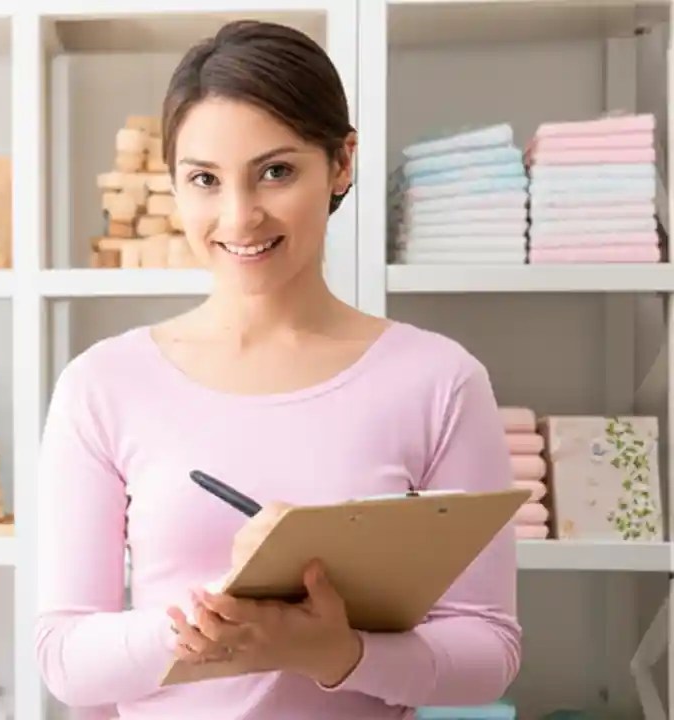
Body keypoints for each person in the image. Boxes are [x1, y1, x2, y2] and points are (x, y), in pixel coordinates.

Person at [33, 19, 521, 720]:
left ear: (342, 163)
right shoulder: (103, 385)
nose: (240, 216)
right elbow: (64, 657)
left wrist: (333, 653)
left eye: (276, 171)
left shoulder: (439, 381)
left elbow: (489, 651)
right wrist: (212, 622)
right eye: (205, 179)